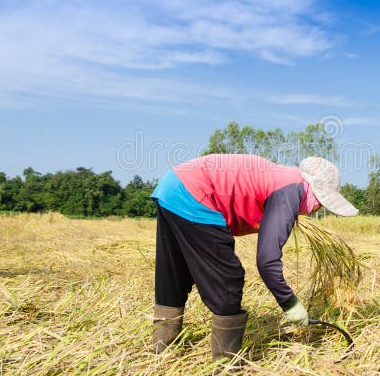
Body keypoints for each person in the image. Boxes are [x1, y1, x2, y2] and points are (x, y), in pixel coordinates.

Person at [150, 154, 358, 361]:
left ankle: (162, 353)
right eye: (321, 203)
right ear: (314, 191)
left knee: (174, 273)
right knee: (228, 279)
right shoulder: (290, 190)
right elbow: (267, 261)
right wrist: (290, 304)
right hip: (195, 193)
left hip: (172, 187)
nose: (316, 209)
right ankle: (226, 366)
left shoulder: (281, 178)